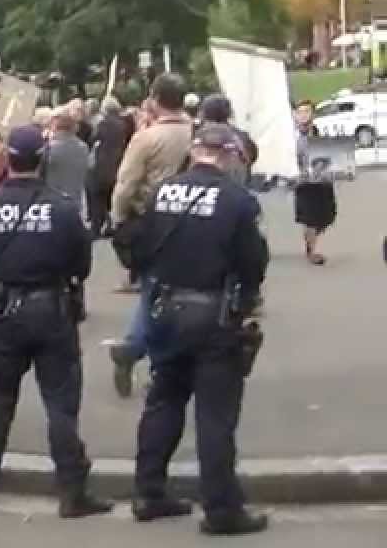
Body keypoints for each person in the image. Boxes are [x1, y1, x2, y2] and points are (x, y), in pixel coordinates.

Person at [0, 125, 111, 519]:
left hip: (2, 312)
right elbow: (82, 264)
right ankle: (72, 491)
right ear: (42, 159)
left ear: (8, 159)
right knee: (61, 404)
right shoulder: (62, 208)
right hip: (51, 311)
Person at [128, 124, 269, 536]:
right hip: (213, 314)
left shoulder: (163, 192)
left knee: (163, 401)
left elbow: (140, 247)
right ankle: (222, 508)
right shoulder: (237, 201)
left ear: (195, 151)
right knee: (215, 414)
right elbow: (252, 263)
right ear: (226, 154)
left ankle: (149, 491)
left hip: (165, 307)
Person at [108, 74, 194, 397]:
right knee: (183, 290)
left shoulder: (146, 139)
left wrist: (117, 219)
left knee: (155, 289)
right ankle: (157, 360)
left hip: (152, 220)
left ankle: (136, 349)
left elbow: (126, 185)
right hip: (192, 219)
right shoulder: (196, 133)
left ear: (155, 99)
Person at [294, 100, 335, 266]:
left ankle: (311, 241)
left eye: (307, 111)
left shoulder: (320, 132)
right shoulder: (291, 137)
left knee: (327, 216)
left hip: (323, 181)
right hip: (304, 182)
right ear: (295, 115)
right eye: (300, 111)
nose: (304, 115)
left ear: (313, 114)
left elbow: (333, 152)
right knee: (309, 217)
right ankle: (312, 251)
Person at [87, 96, 132, 237]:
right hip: (118, 162)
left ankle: (96, 227)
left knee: (96, 194)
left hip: (103, 164)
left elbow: (92, 139)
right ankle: (111, 224)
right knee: (110, 196)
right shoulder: (124, 124)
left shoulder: (103, 124)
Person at [42, 106, 90, 218]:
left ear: (55, 126)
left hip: (51, 203)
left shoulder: (50, 149)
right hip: (75, 202)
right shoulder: (84, 148)